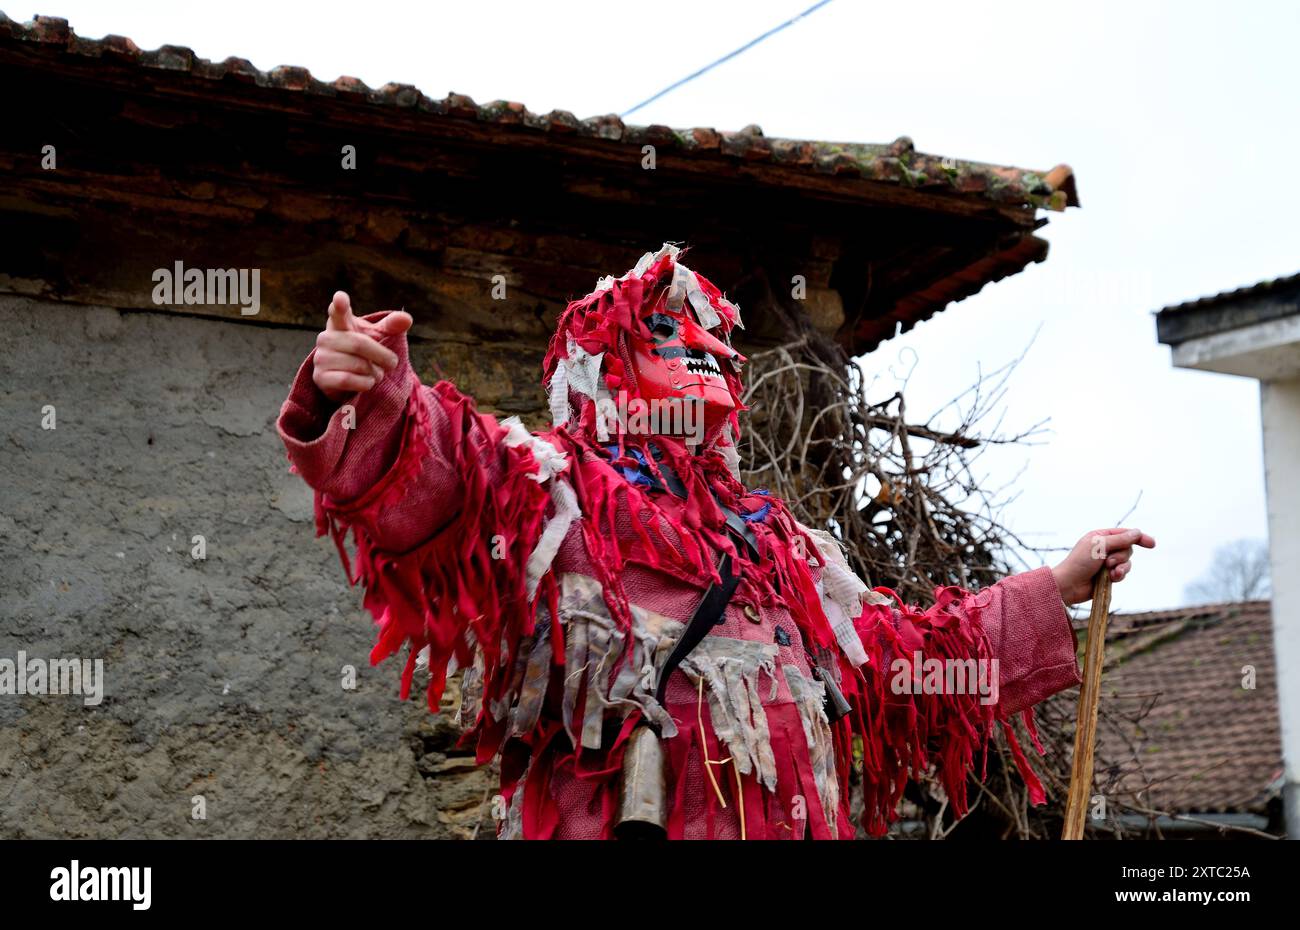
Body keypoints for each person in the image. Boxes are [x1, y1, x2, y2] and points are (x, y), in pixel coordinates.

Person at [277, 244, 1155, 839]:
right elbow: (438, 477)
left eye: (711, 335)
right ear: (602, 361)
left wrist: (1056, 587)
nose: (701, 347)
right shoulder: (543, 492)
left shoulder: (779, 547)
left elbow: (905, 663)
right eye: (663, 328)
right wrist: (372, 399)